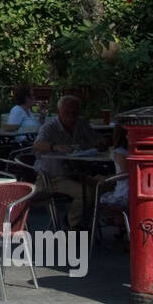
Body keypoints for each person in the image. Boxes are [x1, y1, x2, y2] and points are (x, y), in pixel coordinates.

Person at [33, 95, 105, 229]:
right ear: (59, 111)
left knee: (104, 186)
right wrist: (54, 146)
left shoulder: (81, 123)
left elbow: (97, 139)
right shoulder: (50, 127)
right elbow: (37, 145)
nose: (71, 115)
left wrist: (100, 144)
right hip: (52, 177)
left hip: (76, 174)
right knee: (87, 194)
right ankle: (72, 223)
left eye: (75, 111)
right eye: (68, 111)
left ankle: (86, 222)